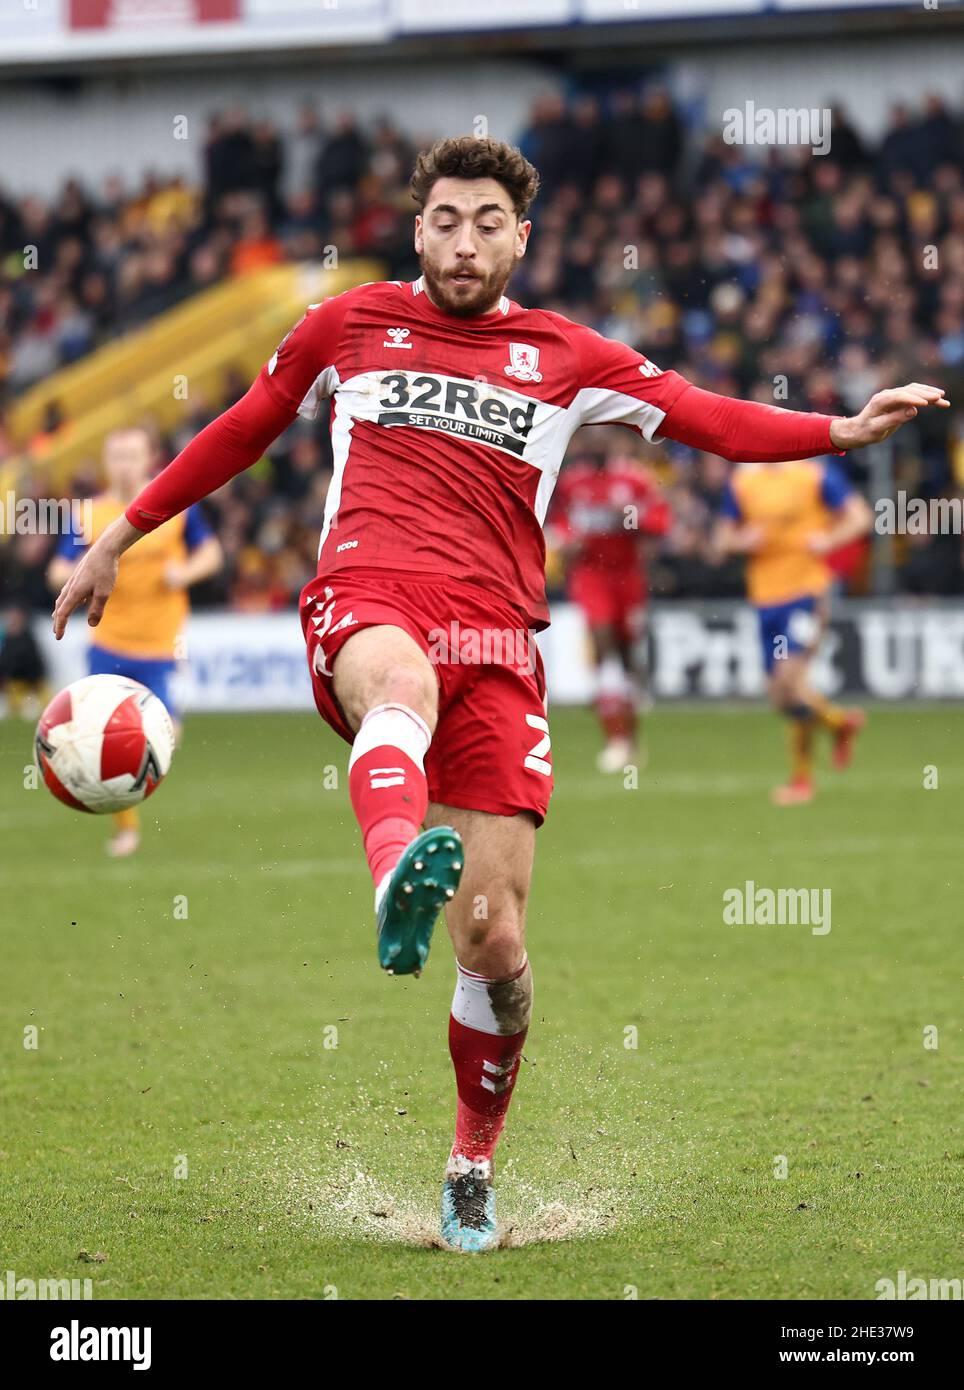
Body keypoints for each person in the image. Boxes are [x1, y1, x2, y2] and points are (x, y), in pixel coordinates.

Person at [52, 136, 948, 1250]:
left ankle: (469, 1163)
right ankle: (393, 882)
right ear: (415, 230)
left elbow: (707, 415)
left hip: (503, 650)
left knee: (496, 947)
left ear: (520, 237)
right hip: (368, 597)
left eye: (487, 222)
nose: (464, 239)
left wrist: (839, 429)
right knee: (399, 684)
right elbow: (243, 427)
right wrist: (121, 536)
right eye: (445, 220)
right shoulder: (346, 326)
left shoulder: (566, 355)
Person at [48, 425, 222, 855]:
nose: (124, 465)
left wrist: (185, 573)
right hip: (106, 641)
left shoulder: (176, 507)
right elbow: (57, 569)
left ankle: (128, 791)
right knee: (102, 737)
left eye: (132, 455)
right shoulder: (88, 515)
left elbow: (212, 554)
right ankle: (125, 825)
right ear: (106, 463)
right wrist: (80, 578)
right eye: (116, 456)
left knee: (166, 735)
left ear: (149, 458)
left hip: (161, 646)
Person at [714, 458, 874, 805]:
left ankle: (802, 782)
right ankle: (838, 723)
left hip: (805, 595)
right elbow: (722, 540)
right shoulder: (743, 481)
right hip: (765, 599)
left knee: (791, 682)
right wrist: (743, 540)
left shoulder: (813, 474)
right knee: (780, 695)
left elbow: (860, 517)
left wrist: (828, 539)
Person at [550, 435, 671, 772]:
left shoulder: (634, 479)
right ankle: (615, 739)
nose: (597, 443)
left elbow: (661, 522)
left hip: (627, 577)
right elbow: (560, 522)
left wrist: (630, 519)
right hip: (591, 576)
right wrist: (567, 540)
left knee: (625, 656)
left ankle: (630, 737)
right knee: (602, 642)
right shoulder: (573, 481)